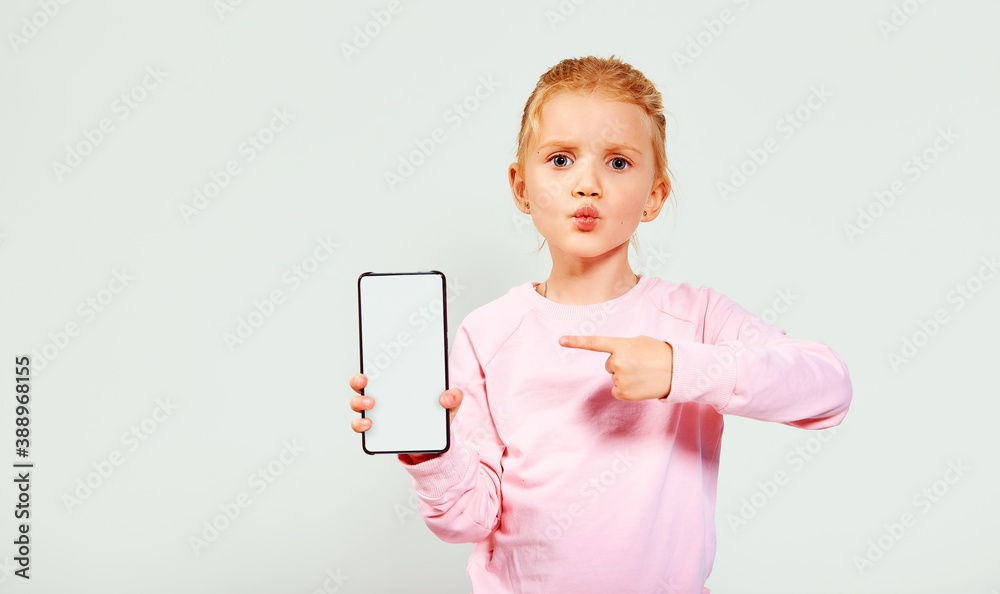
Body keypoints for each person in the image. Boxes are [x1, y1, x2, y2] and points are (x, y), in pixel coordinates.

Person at [349, 55, 852, 593]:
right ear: (521, 187)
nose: (587, 184)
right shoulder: (488, 334)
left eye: (617, 163)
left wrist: (681, 368)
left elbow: (828, 389)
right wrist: (432, 454)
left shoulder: (695, 318)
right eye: (561, 159)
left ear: (655, 195)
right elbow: (467, 520)